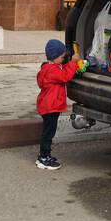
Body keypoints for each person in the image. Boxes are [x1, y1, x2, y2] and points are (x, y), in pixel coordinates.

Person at [35, 39, 79, 171]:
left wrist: (71, 64)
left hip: (50, 106)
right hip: (50, 108)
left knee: (48, 132)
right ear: (55, 57)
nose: (64, 59)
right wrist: (73, 62)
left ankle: (45, 155)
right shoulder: (51, 71)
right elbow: (65, 76)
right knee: (48, 133)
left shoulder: (51, 67)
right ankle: (43, 158)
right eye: (62, 57)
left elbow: (63, 71)